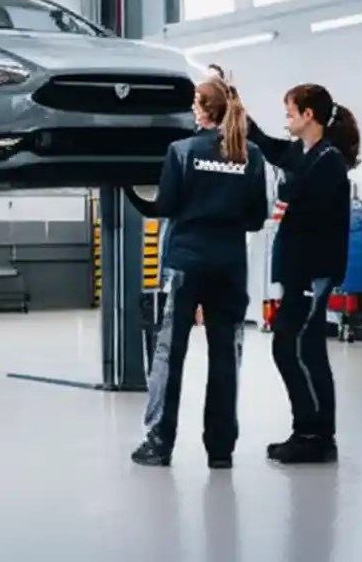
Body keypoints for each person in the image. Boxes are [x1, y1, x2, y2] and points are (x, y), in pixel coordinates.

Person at [124, 73, 269, 469]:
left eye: (195, 104)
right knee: (226, 356)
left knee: (170, 354)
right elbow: (257, 218)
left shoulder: (182, 151)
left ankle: (159, 443)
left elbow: (165, 207)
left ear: (204, 111)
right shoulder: (251, 154)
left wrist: (128, 190)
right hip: (229, 266)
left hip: (186, 263)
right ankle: (221, 450)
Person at [246, 83, 360, 465]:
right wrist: (238, 114)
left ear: (308, 115)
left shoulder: (328, 161)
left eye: (290, 112)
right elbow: (270, 146)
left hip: (315, 270)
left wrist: (286, 192)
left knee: (298, 347)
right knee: (295, 348)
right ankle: (307, 431)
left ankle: (317, 437)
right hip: (298, 270)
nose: (287, 119)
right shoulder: (302, 152)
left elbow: (311, 209)